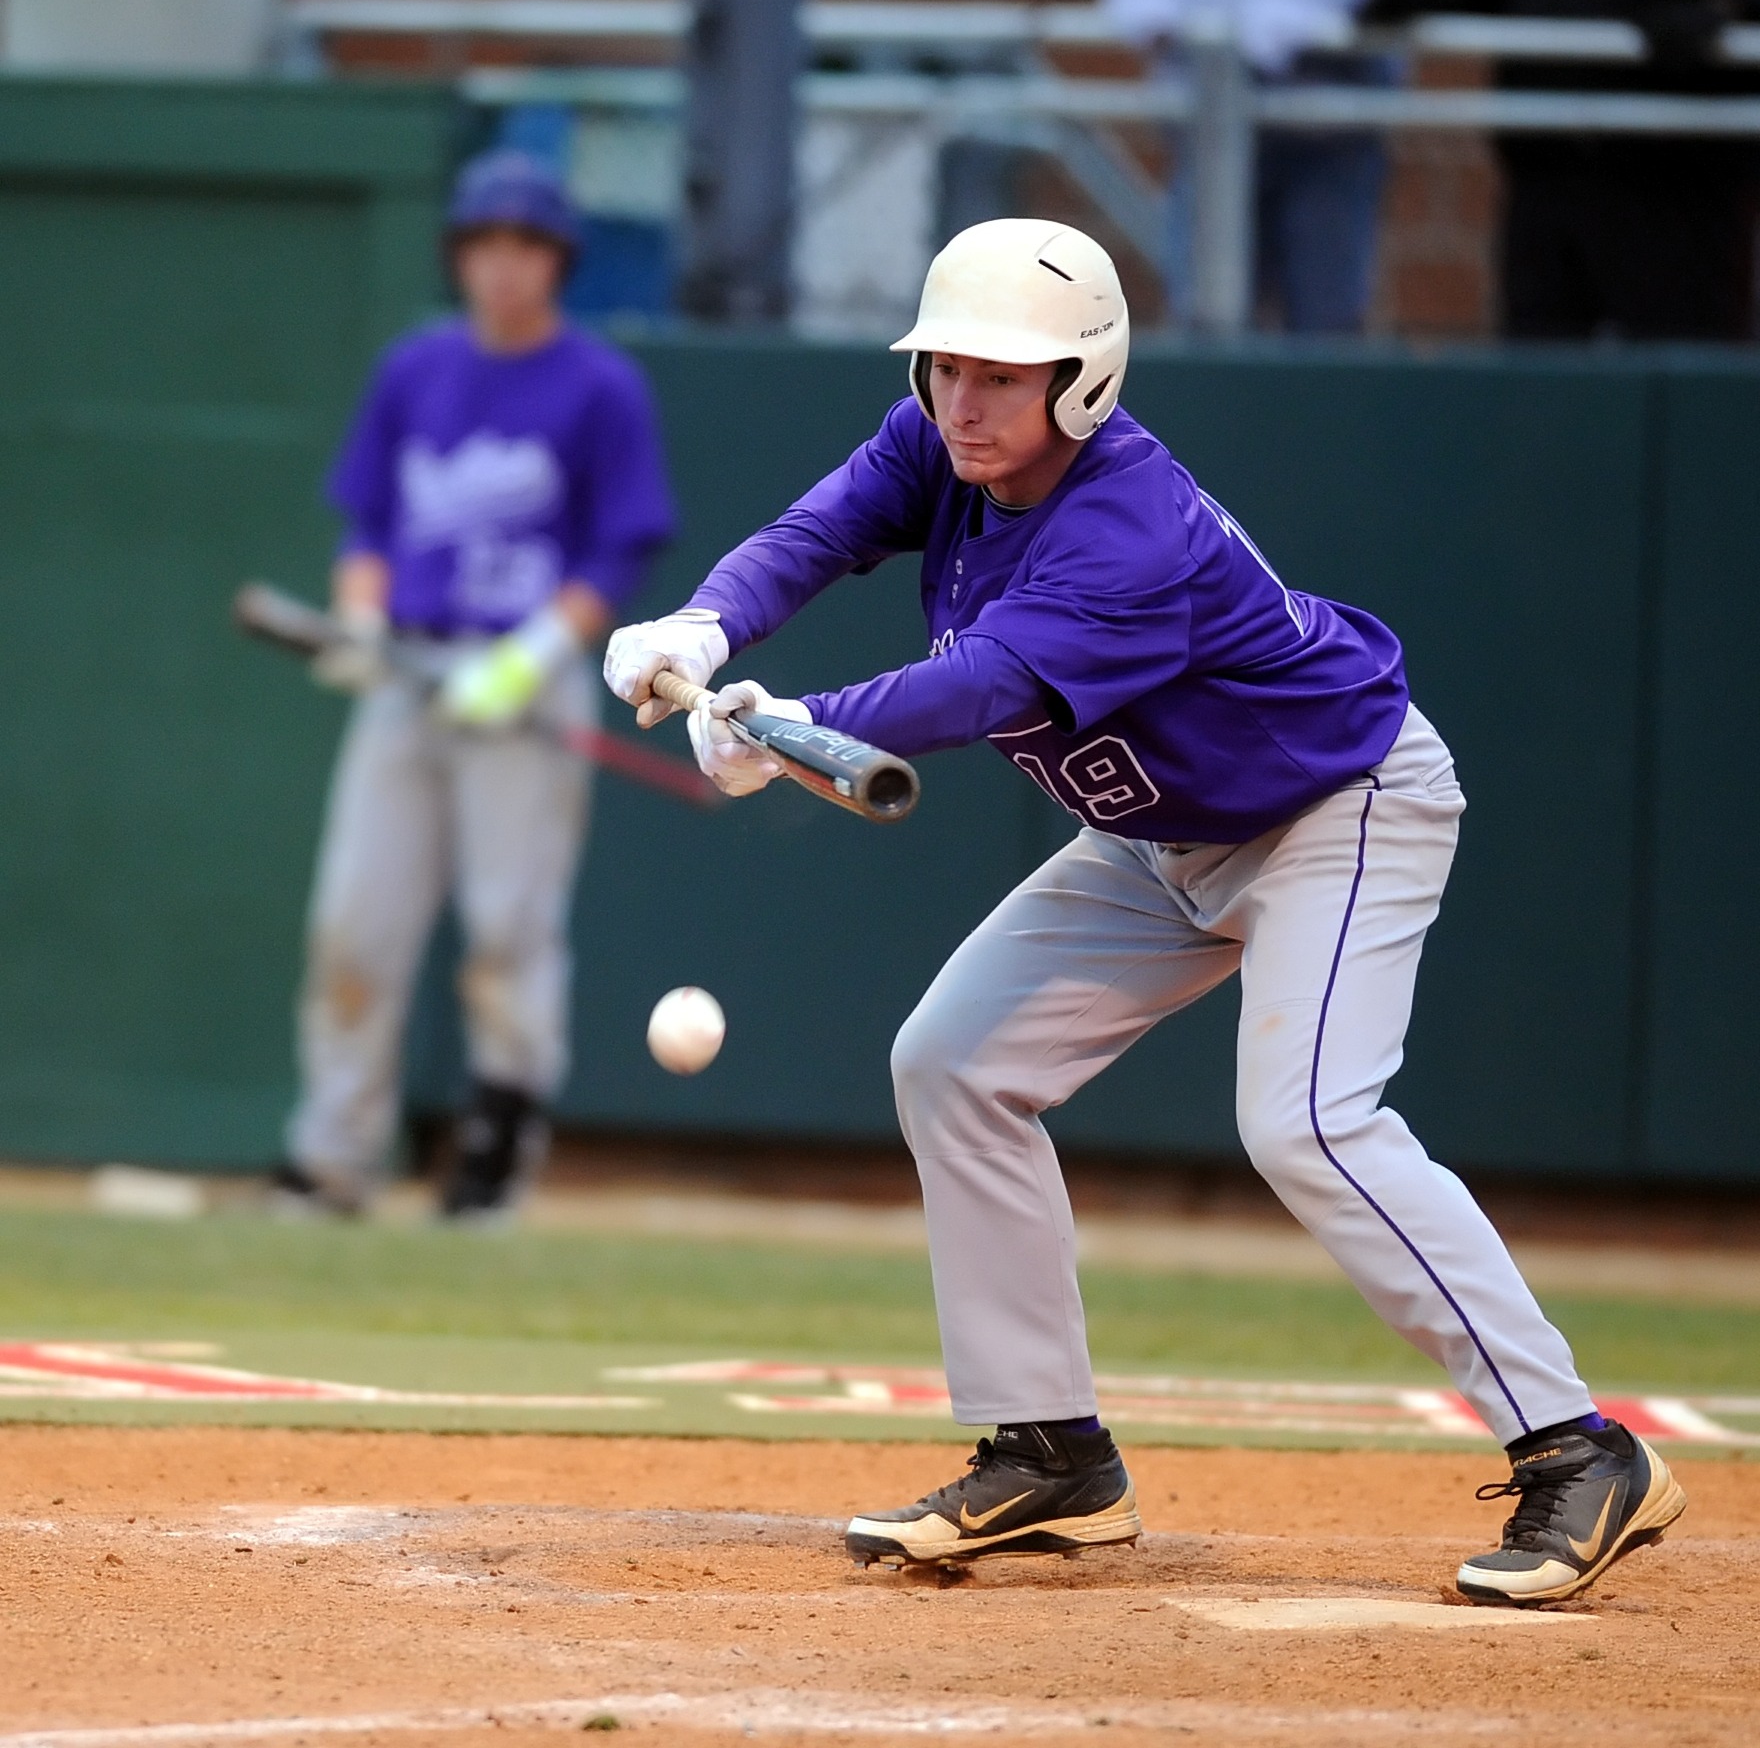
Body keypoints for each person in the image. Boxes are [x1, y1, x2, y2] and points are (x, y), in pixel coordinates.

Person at [605, 218, 1685, 1605]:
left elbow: (982, 686)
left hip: (1335, 809)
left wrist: (803, 724)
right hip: (1154, 836)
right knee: (955, 1065)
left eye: (1007, 376)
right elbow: (817, 534)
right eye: (948, 370)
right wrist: (708, 626)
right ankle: (1054, 1452)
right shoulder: (934, 442)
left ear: (1084, 379)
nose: (966, 404)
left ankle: (1581, 1450)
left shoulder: (1132, 529)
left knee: (1307, 1123)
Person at [273, 150, 676, 1220]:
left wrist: (532, 657)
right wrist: (361, 623)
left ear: (556, 262)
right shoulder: (415, 368)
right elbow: (368, 524)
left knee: (508, 925)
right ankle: (331, 1160)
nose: (504, 267)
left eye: (527, 247)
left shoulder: (599, 385)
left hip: (519, 686)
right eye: (486, 245)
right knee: (355, 921)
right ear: (460, 254)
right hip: (407, 675)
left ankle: (493, 1163)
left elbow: (618, 551)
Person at [1369, 0, 1760, 341]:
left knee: (1684, 373)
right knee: (1542, 377)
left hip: (1679, 171)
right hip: (1548, 166)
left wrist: (1724, 9)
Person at [1099, 0, 1456, 333]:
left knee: (1326, 318)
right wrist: (1150, 5)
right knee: (1206, 319)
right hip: (1209, 114)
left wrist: (1333, 10)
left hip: (1329, 113)